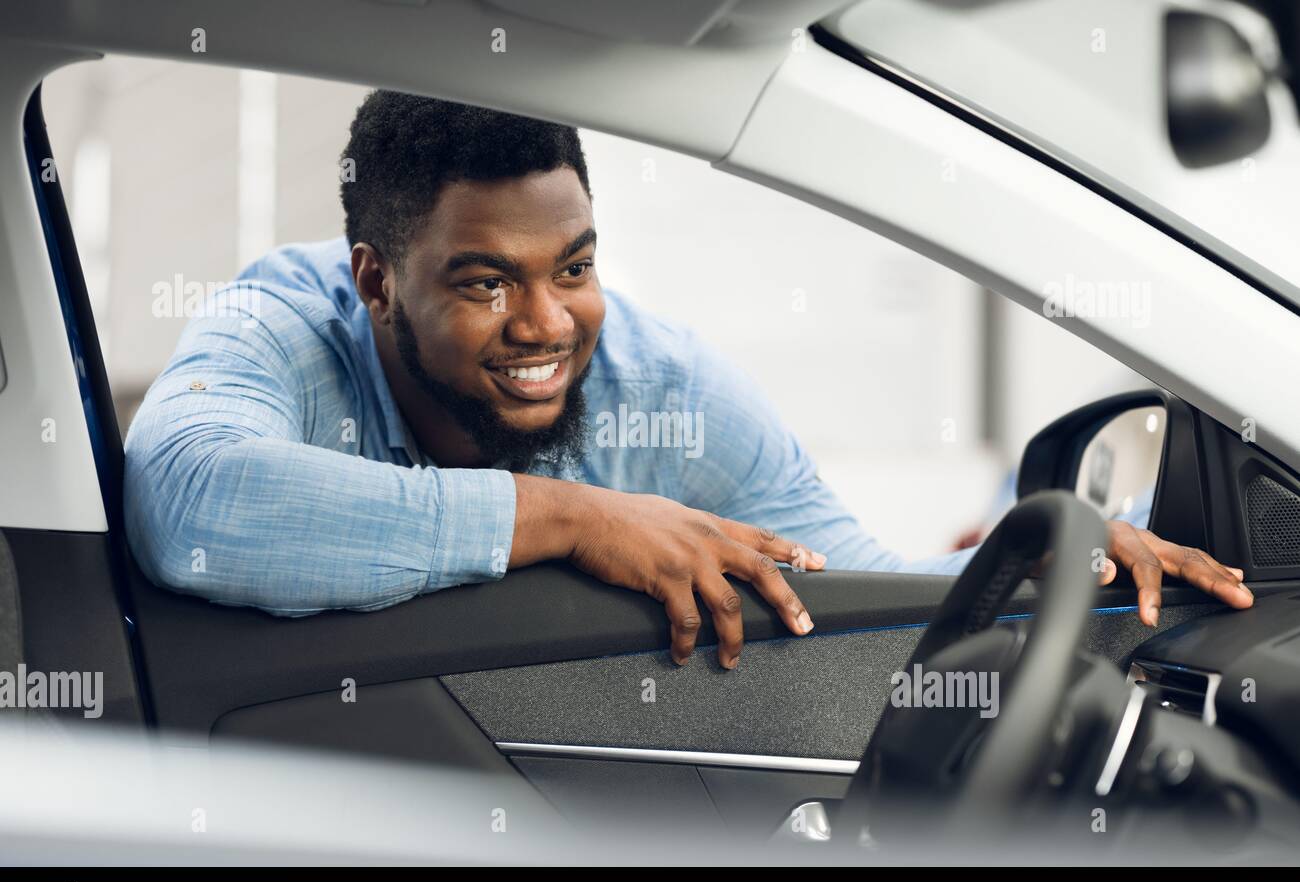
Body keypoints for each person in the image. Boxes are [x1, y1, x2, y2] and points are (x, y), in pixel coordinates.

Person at [124, 92, 1254, 668]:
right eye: (484, 283)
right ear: (376, 281)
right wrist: (569, 516)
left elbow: (849, 583)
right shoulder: (279, 323)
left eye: (574, 266)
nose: (546, 323)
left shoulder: (661, 385)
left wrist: (1063, 549)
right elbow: (191, 503)